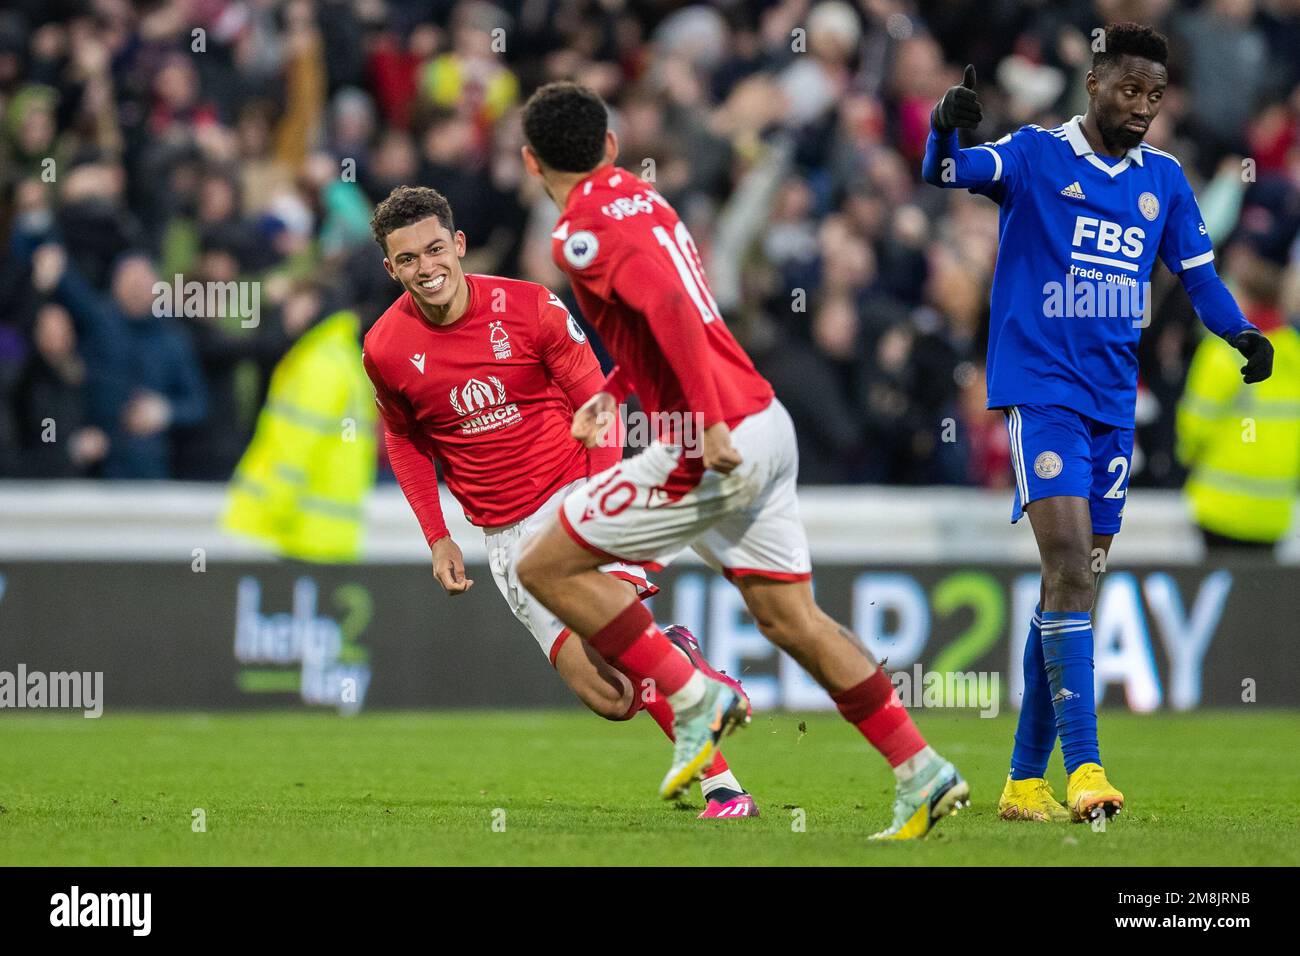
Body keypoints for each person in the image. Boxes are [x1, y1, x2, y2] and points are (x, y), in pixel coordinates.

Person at [514, 82, 969, 840]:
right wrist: (617, 390)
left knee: (544, 567)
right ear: (611, 147)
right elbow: (681, 310)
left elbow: (667, 309)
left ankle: (693, 696)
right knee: (793, 619)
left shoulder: (577, 234)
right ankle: (920, 769)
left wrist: (705, 422)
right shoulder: (644, 199)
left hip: (709, 439)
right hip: (765, 422)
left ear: (532, 162)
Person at [920, 23, 1275, 823]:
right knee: (1072, 569)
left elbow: (1200, 277)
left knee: (1070, 589)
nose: (1144, 106)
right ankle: (1085, 769)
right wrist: (946, 125)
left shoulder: (1165, 181)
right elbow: (946, 171)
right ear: (1094, 82)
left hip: (1113, 405)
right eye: (1130, 89)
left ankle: (1023, 782)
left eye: (1156, 94)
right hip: (1042, 393)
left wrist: (1241, 332)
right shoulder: (1036, 155)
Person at [361, 186, 757, 819]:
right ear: (391, 268)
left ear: (458, 245)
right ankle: (677, 651)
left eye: (434, 249)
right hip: (502, 536)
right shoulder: (384, 347)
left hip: (572, 495)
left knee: (617, 640)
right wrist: (437, 536)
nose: (426, 267)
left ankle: (726, 791)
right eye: (408, 259)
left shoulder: (529, 307)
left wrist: (599, 506)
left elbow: (599, 405)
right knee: (611, 696)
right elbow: (403, 439)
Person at [1177, 251, 1300, 559]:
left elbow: (1193, 430)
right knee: (1258, 588)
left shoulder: (1221, 353)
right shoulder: (1295, 353)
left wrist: (1186, 458)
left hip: (1220, 507)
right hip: (1274, 511)